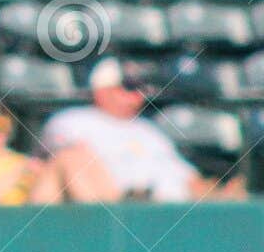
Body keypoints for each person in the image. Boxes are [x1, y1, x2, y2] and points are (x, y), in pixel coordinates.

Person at [39, 60, 237, 203]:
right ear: (101, 90)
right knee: (72, 157)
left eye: (140, 88)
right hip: (103, 213)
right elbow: (66, 161)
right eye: (128, 87)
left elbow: (188, 180)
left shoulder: (150, 132)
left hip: (160, 214)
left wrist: (219, 193)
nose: (136, 95)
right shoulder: (73, 120)